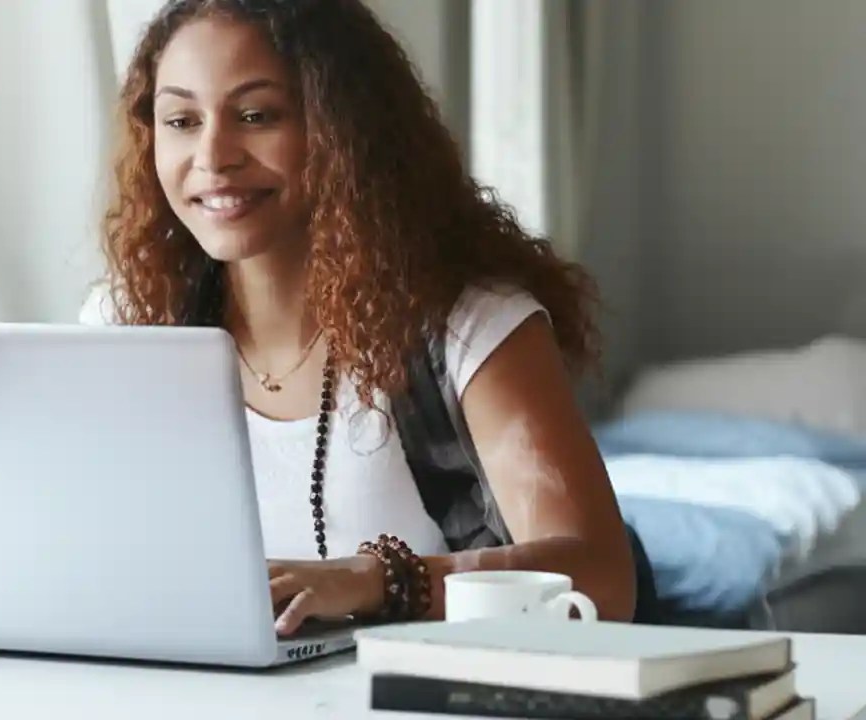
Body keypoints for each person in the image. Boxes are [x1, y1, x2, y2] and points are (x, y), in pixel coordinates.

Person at [80, 0, 638, 635]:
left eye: (257, 115)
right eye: (181, 119)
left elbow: (600, 575)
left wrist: (376, 579)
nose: (213, 155)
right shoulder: (126, 322)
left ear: (344, 131)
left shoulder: (468, 326)